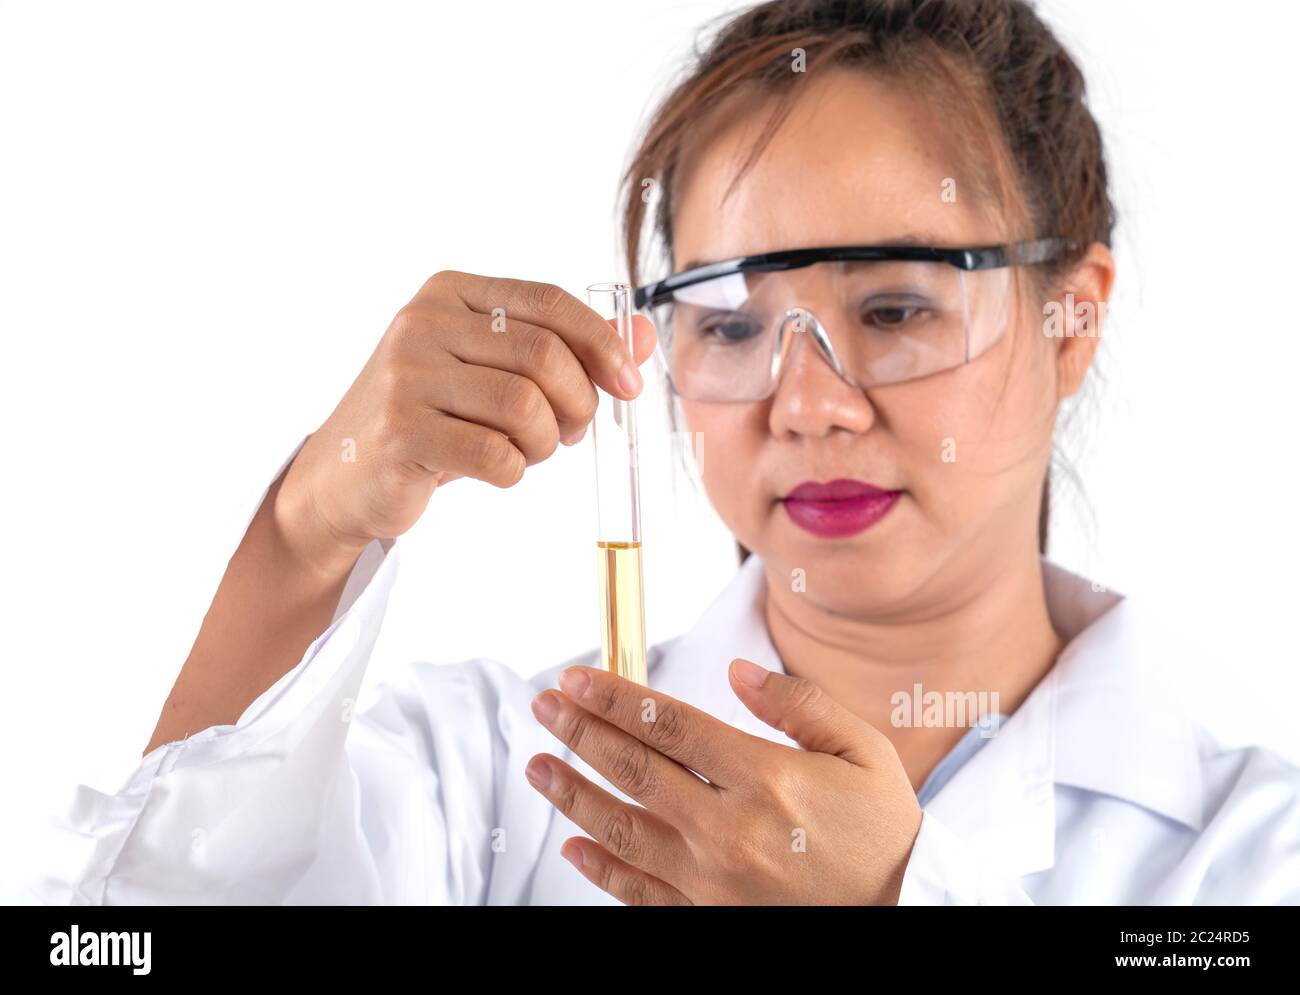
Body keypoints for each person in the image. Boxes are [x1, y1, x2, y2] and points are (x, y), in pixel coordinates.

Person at [33, 0, 1300, 905]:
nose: (807, 404)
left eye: (900, 308)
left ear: (1069, 319)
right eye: (736, 322)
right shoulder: (494, 773)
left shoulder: (1250, 852)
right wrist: (309, 527)